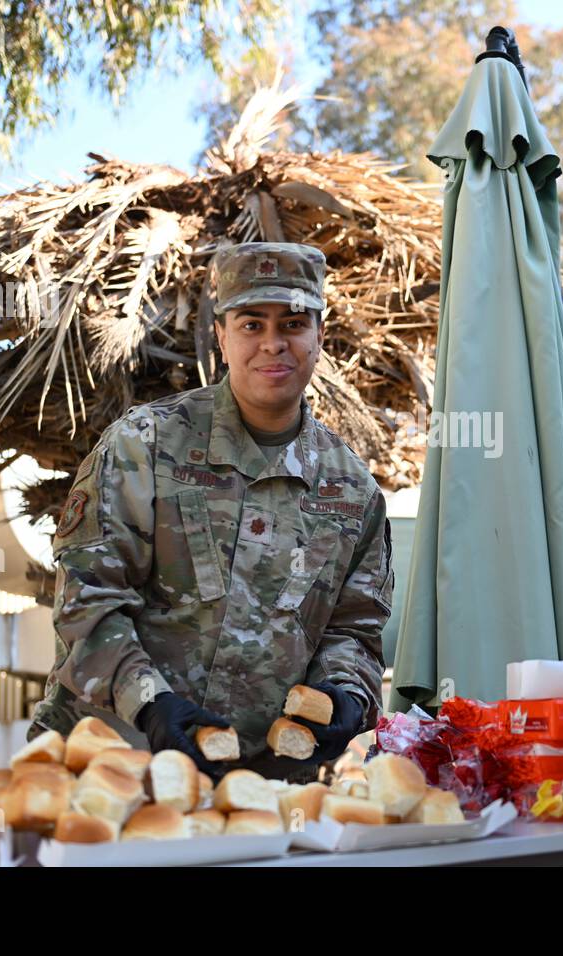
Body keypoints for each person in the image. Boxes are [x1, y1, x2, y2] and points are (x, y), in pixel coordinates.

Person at [29, 241, 394, 784]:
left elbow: (354, 632)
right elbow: (88, 601)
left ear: (319, 336)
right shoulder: (145, 446)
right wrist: (151, 705)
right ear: (221, 336)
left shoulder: (352, 489)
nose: (274, 344)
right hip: (109, 763)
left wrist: (343, 694)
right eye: (252, 324)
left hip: (260, 788)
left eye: (293, 324)